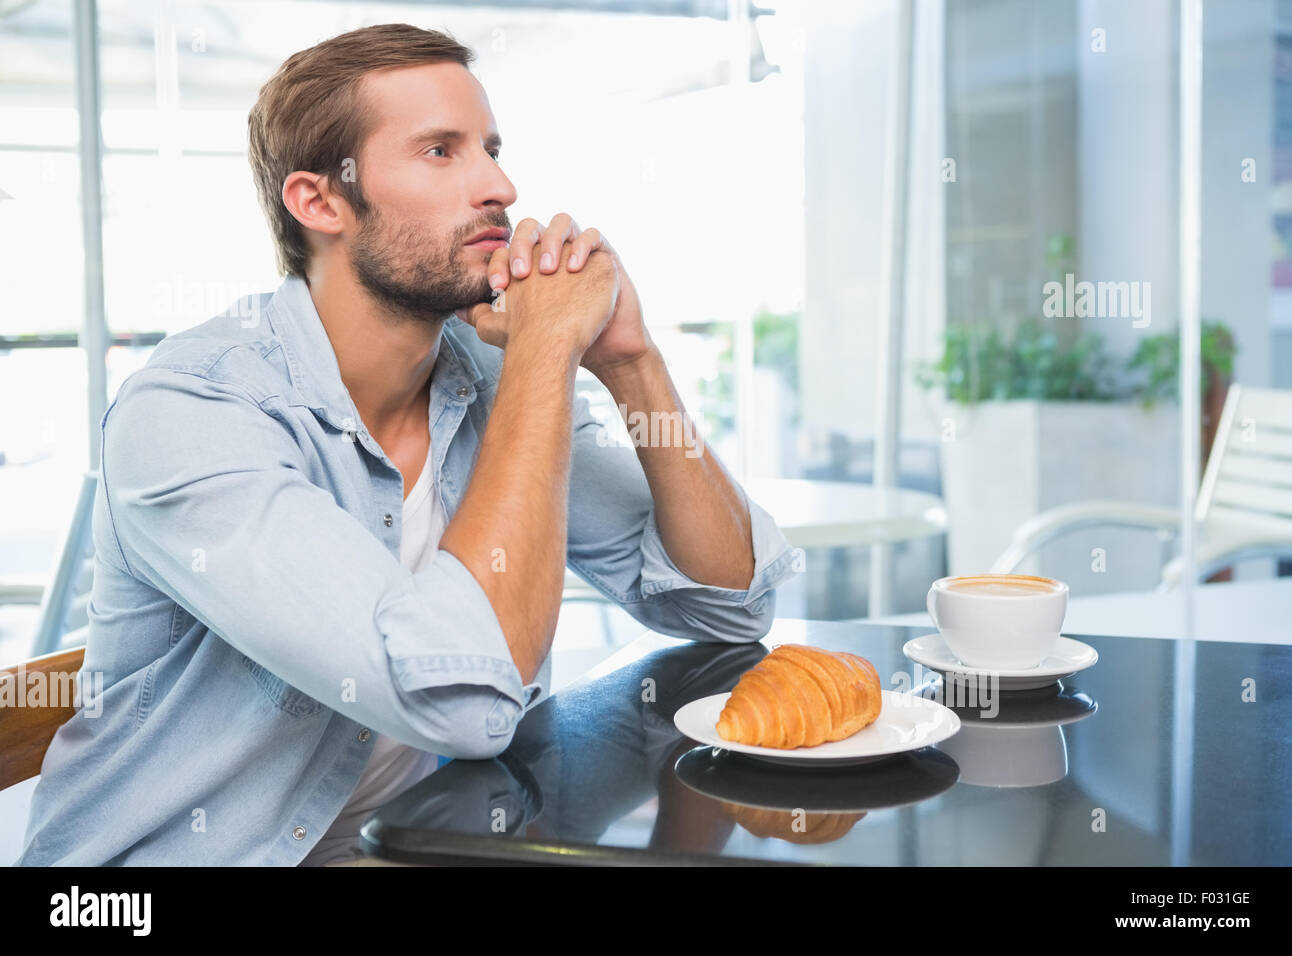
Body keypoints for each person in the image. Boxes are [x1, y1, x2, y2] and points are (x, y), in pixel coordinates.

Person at [16, 23, 798, 867]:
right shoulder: (194, 413)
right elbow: (466, 707)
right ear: (320, 203)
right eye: (439, 151)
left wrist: (631, 363)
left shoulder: (489, 382)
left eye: (491, 149)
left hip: (419, 843)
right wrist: (544, 349)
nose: (500, 185)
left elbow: (726, 606)